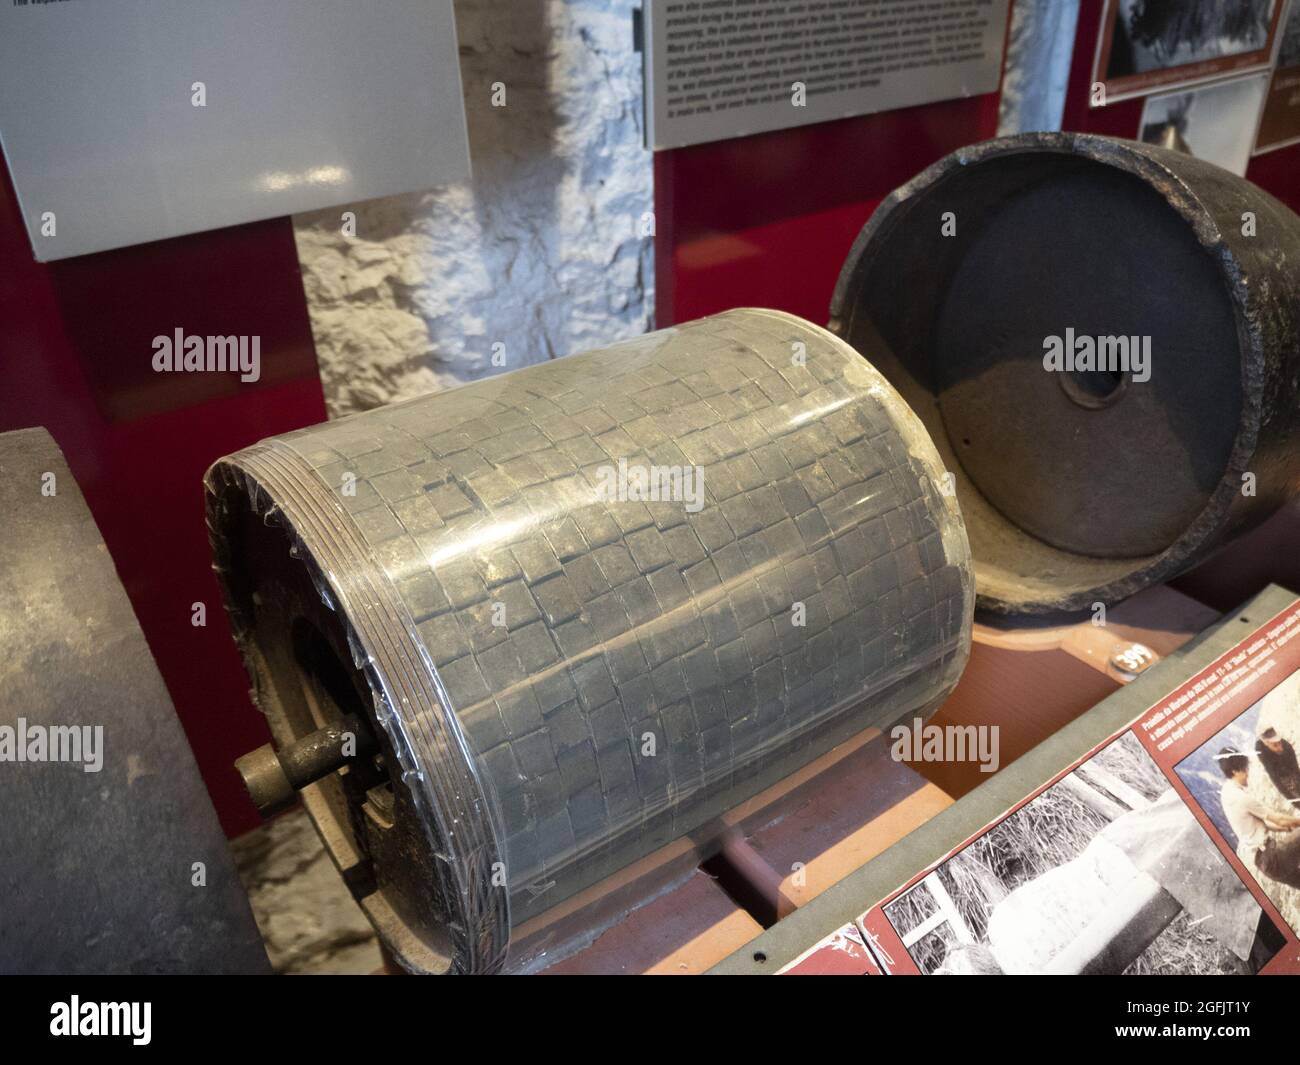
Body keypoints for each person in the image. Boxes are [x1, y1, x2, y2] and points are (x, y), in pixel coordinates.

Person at [1218, 747, 1300, 889]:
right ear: (1235, 771)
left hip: (1266, 865)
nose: (1247, 773)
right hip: (1273, 858)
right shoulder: (1241, 798)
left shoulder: (1227, 793)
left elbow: (1263, 825)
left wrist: (1287, 827)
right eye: (1245, 769)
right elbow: (1278, 819)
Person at [1255, 726, 1300, 803]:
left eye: (1279, 742)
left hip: (1289, 768)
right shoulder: (1262, 752)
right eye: (1275, 745)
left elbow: (1296, 770)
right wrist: (1295, 802)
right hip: (1280, 774)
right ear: (1266, 743)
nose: (1280, 748)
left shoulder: (1287, 747)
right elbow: (1276, 779)